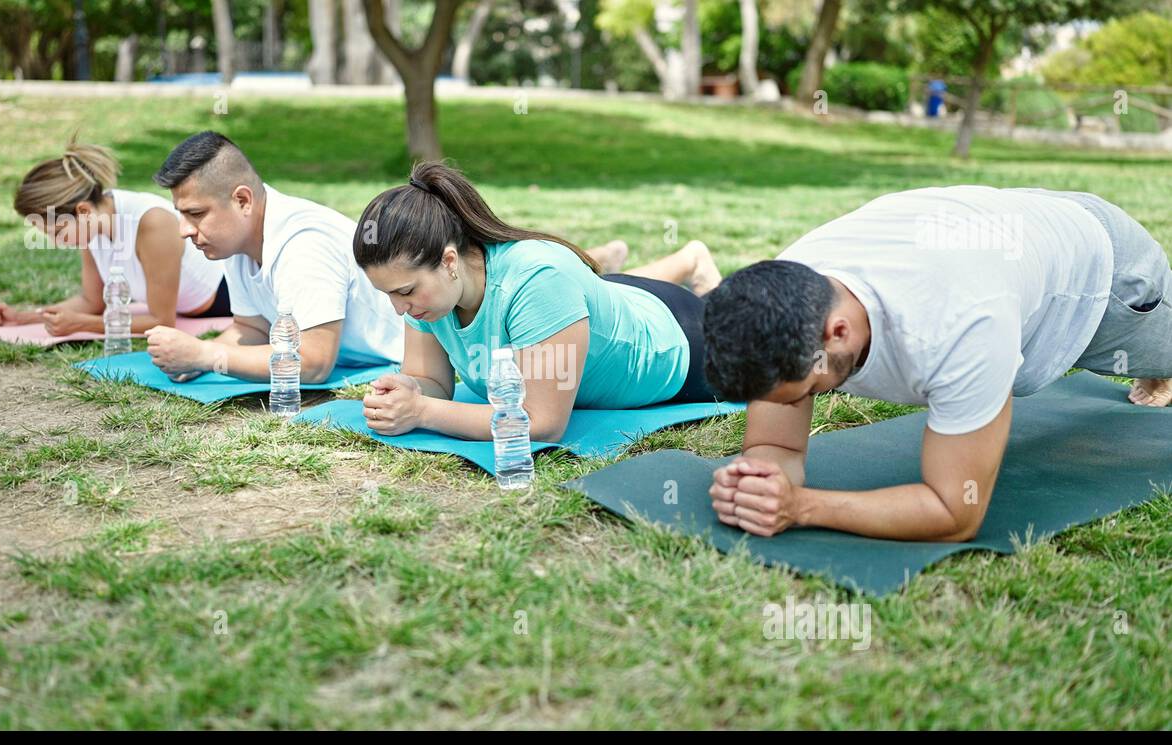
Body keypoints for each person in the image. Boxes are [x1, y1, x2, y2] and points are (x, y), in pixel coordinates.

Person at [702, 185, 1172, 541]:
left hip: (1104, 270)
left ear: (837, 332)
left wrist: (802, 508)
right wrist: (761, 483)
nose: (797, 406)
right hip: (1001, 230)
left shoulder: (960, 323)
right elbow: (776, 447)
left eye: (806, 392)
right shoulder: (789, 297)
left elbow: (954, 512)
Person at [353, 161, 726, 442]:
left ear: (449, 261)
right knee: (594, 289)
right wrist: (410, 391)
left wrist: (421, 411)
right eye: (388, 294)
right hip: (599, 305)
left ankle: (697, 267)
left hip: (679, 338)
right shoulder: (430, 294)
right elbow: (430, 379)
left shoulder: (537, 281)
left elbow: (542, 423)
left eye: (404, 291)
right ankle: (685, 259)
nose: (398, 308)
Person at [144, 131, 404, 382]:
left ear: (243, 200)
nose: (184, 230)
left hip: (408, 362)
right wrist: (190, 358)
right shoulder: (238, 240)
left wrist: (206, 355)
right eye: (181, 214)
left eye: (197, 214)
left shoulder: (304, 243)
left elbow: (314, 363)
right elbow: (253, 329)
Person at [0, 139, 229, 335]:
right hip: (188, 308)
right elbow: (92, 302)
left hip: (224, 302)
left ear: (83, 211)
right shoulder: (90, 229)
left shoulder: (152, 223)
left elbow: (162, 321)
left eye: (58, 232)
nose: (56, 242)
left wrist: (81, 324)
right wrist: (25, 318)